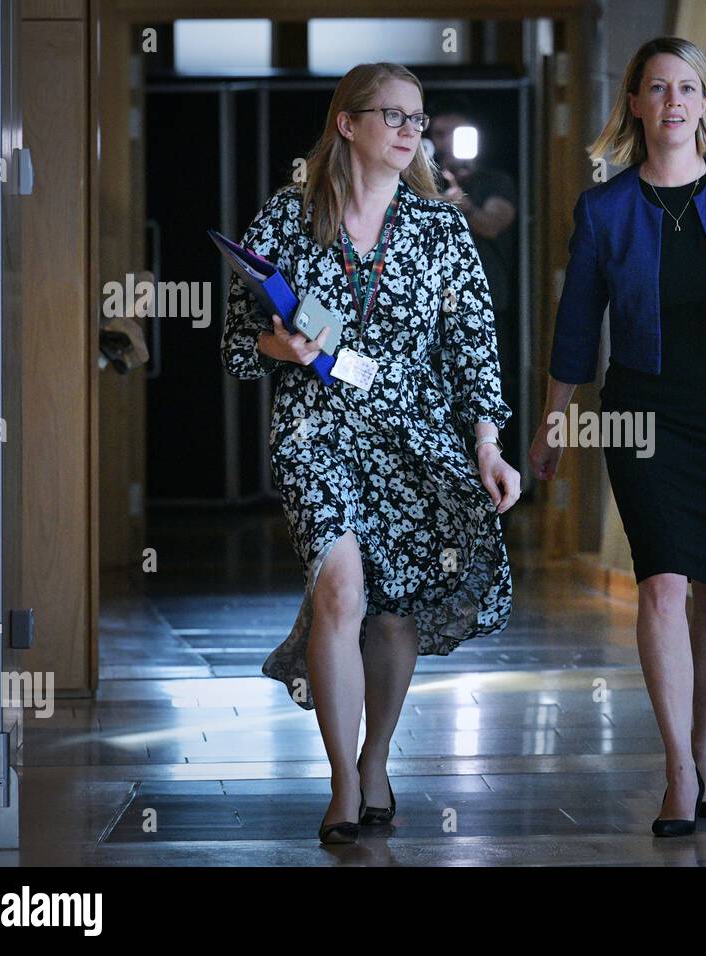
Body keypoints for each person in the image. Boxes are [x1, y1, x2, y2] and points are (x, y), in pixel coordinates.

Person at [220, 62, 521, 845]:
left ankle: (377, 756)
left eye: (416, 119)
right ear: (346, 124)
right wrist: (282, 347)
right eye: (391, 115)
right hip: (315, 432)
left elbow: (473, 352)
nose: (407, 130)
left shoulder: (441, 229)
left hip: (412, 438)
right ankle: (343, 782)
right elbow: (233, 347)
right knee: (339, 590)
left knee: (392, 613)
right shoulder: (287, 220)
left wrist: (488, 443)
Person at [528, 36, 706, 837]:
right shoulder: (606, 209)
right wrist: (553, 424)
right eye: (658, 88)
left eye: (688, 88)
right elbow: (577, 328)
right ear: (636, 107)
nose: (674, 102)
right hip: (643, 417)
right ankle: (679, 772)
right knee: (662, 585)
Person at [427, 96, 522, 472]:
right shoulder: (421, 183)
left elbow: (494, 223)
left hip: (491, 308)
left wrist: (460, 201)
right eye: (438, 134)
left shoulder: (494, 181)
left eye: (456, 134)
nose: (448, 142)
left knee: (490, 397)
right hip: (433, 312)